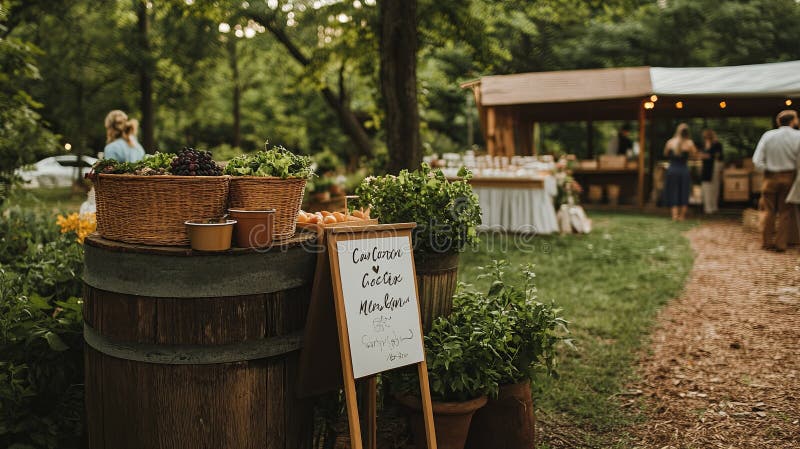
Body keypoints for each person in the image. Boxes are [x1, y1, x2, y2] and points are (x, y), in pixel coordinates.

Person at [752, 110, 800, 252]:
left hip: (770, 177)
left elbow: (757, 161)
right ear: (793, 121)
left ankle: (766, 242)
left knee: (768, 210)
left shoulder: (768, 136)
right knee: (785, 212)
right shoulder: (798, 136)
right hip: (789, 176)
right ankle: (781, 244)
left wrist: (767, 170)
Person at [662, 123, 697, 221]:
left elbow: (665, 153)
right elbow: (695, 155)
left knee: (673, 191)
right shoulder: (690, 143)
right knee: (684, 191)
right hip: (683, 170)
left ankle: (674, 216)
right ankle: (682, 216)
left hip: (673, 169)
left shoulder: (670, 142)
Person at [700, 129, 723, 214]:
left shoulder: (717, 144)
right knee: (706, 187)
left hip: (714, 167)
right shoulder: (703, 144)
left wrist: (707, 156)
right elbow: (702, 155)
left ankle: (713, 207)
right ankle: (708, 207)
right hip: (706, 168)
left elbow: (718, 156)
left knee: (714, 188)